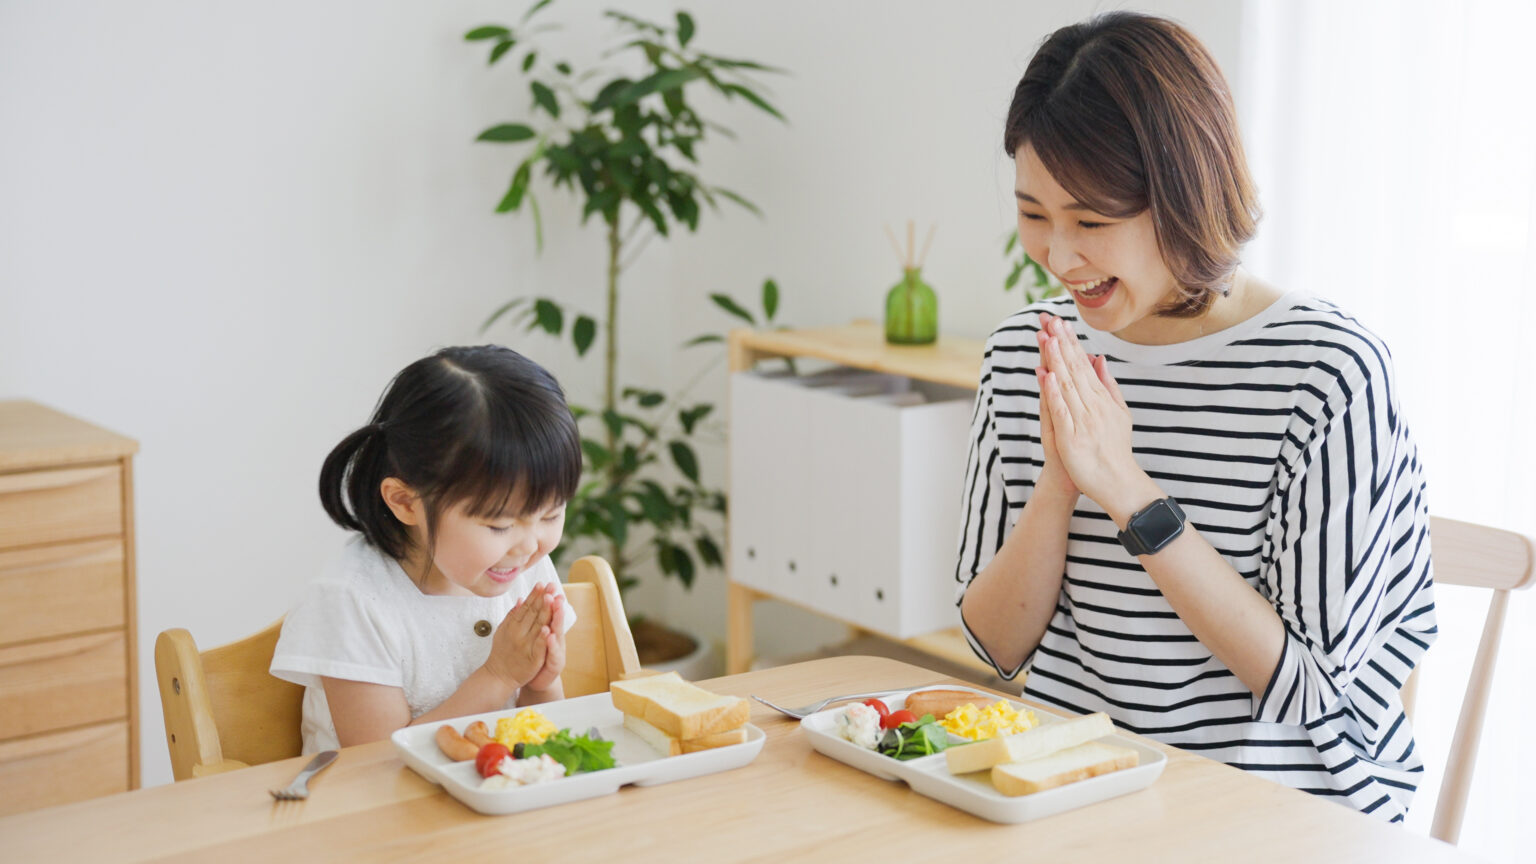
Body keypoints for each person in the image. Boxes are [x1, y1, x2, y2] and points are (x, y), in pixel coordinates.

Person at [955, 12, 1436, 822]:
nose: (1058, 256)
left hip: (1277, 813)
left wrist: (1131, 493)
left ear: (1185, 197)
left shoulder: (1326, 373)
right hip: (1074, 799)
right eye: (1034, 213)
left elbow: (1309, 689)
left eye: (1093, 222)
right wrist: (1061, 483)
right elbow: (995, 647)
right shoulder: (1024, 355)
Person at [271, 345, 583, 752]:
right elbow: (378, 762)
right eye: (499, 525)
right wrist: (500, 677)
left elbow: (547, 740)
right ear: (405, 502)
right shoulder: (352, 599)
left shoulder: (521, 565)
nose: (529, 545)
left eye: (551, 515)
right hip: (368, 808)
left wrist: (541, 683)